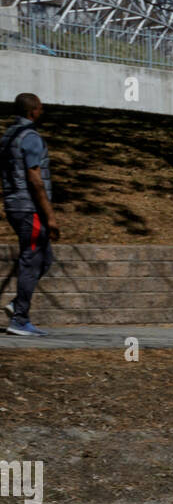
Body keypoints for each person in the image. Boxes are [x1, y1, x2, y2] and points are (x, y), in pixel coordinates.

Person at [1, 92, 58, 336]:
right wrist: (51, 216)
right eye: (41, 108)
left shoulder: (7, 137)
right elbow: (35, 180)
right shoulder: (31, 137)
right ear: (32, 111)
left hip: (14, 205)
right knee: (32, 259)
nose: (42, 112)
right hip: (29, 208)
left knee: (45, 259)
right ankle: (20, 319)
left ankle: (17, 304)